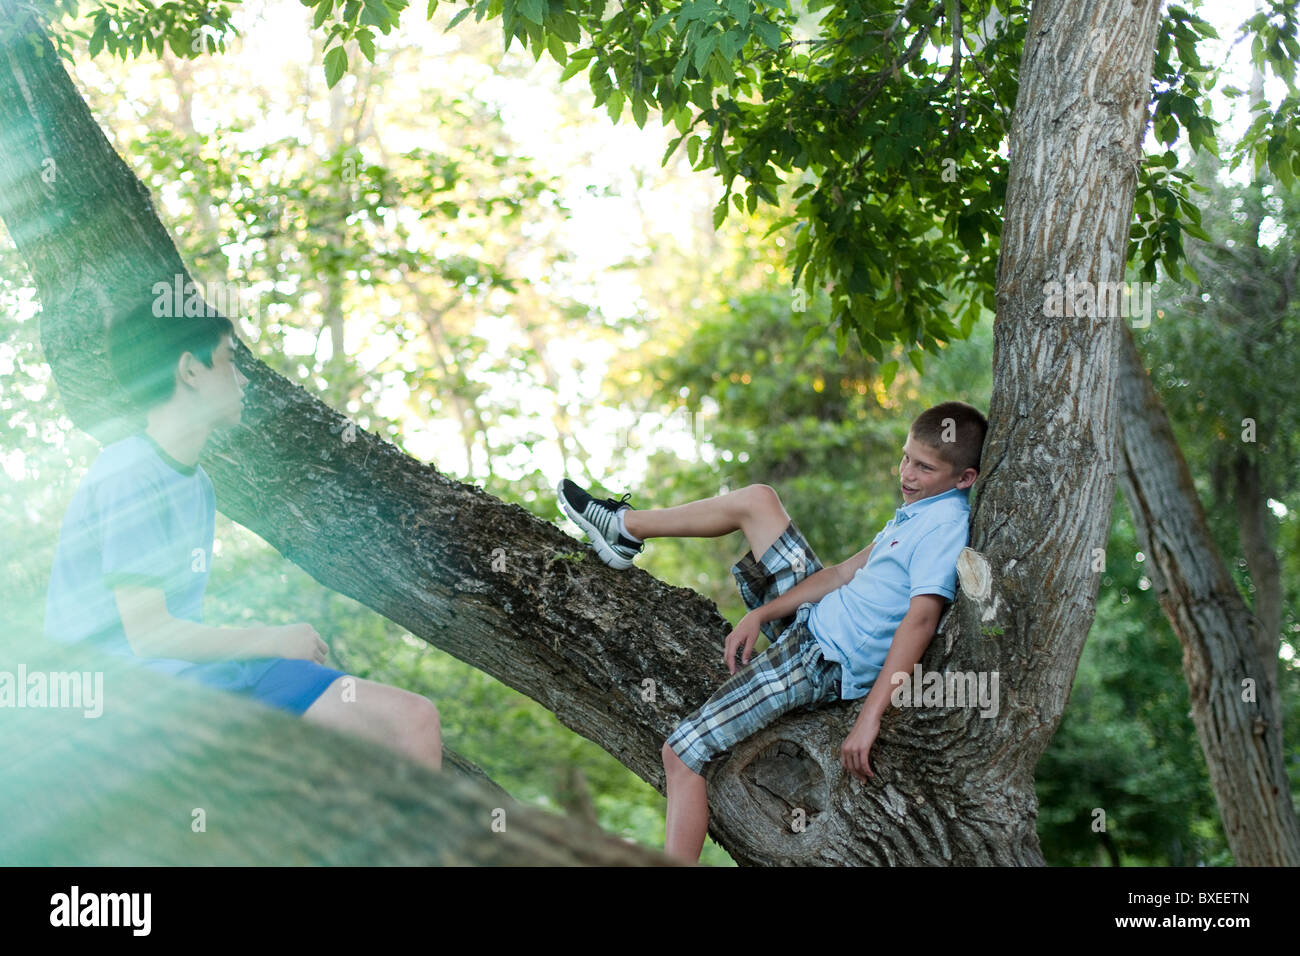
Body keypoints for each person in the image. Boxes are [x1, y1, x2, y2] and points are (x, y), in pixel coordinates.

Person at [557, 401, 986, 862]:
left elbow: (919, 622)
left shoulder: (944, 526)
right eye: (906, 458)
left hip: (819, 660)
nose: (907, 473)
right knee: (758, 500)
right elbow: (842, 573)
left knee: (681, 754)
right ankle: (625, 528)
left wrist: (869, 718)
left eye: (924, 467)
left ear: (964, 479)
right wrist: (763, 614)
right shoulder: (916, 512)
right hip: (814, 619)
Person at [45, 305, 442, 771]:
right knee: (405, 721)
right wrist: (271, 640)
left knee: (411, 719)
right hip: (121, 692)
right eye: (229, 360)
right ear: (190, 370)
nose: (244, 381)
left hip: (182, 679)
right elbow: (150, 635)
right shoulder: (130, 474)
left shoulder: (196, 484)